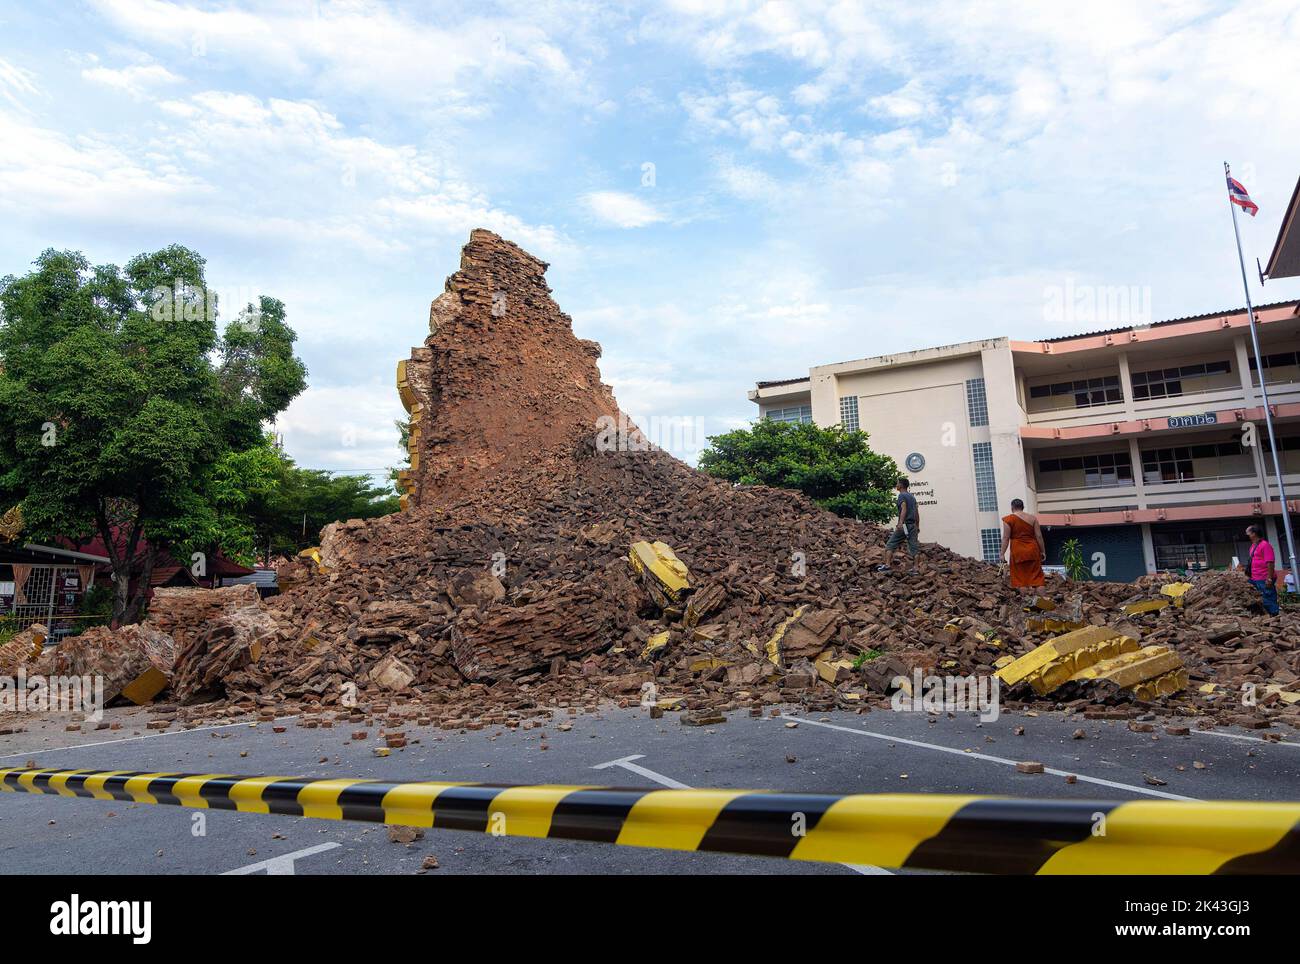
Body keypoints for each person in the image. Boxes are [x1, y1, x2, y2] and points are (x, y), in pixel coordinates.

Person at [1000, 498, 1045, 591]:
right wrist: (1043, 551)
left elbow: (1005, 538)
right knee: (1038, 579)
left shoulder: (1008, 519)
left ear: (1012, 507)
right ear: (1023, 507)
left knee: (1021, 580)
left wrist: (1002, 553)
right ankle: (1044, 601)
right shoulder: (1033, 518)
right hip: (1033, 549)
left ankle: (1025, 602)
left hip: (1018, 551)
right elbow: (1039, 536)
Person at [877, 477, 920, 574]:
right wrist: (917, 525)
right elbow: (916, 512)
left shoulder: (902, 496)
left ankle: (887, 565)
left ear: (901, 485)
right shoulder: (912, 497)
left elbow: (903, 508)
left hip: (904, 525)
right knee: (914, 547)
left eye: (897, 484)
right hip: (912, 525)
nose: (896, 485)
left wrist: (900, 522)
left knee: (890, 544)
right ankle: (916, 568)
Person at [1245, 524, 1280, 616]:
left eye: (1248, 532)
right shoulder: (1253, 546)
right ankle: (1262, 616)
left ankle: (1274, 617)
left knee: (1268, 597)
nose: (1247, 534)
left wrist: (1269, 578)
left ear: (1254, 534)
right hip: (1255, 577)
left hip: (1264, 577)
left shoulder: (1265, 545)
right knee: (1258, 597)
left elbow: (1270, 562)